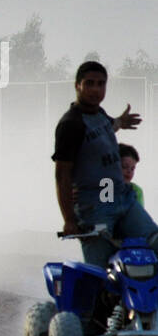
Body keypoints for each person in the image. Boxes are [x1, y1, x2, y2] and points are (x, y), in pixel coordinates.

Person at [53, 60, 151, 266]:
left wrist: (120, 123)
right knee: (101, 272)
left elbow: (105, 129)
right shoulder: (71, 124)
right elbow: (62, 174)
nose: (96, 90)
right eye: (89, 83)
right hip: (96, 206)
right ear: (77, 85)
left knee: (153, 244)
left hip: (122, 199)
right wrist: (69, 219)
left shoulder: (100, 114)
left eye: (101, 84)